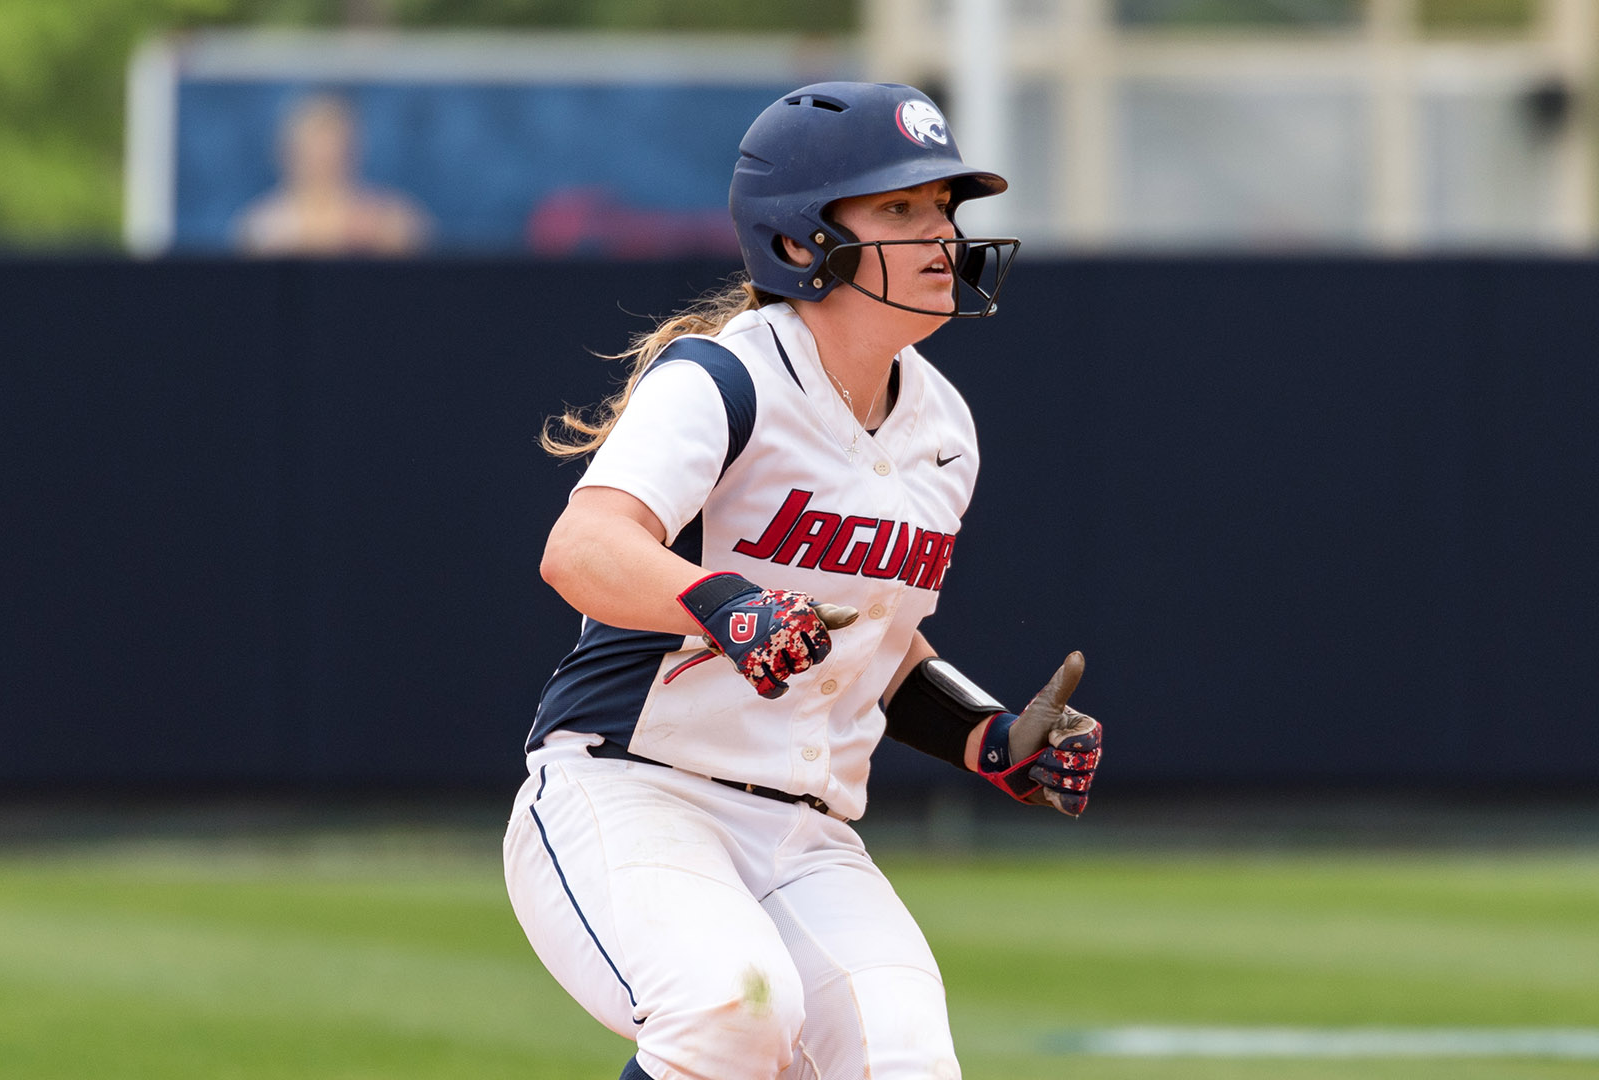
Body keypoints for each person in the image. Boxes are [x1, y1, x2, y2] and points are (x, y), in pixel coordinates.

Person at [502, 81, 1105, 1080]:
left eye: (947, 209)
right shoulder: (722, 379)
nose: (941, 235)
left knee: (904, 1059)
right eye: (900, 209)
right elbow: (583, 546)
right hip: (632, 791)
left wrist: (992, 737)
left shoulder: (943, 431)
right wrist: (724, 603)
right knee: (736, 1009)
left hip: (804, 826)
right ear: (796, 243)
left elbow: (879, 643)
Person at [233, 93, 430, 256]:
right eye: (316, 149)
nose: (325, 158)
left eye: (334, 148)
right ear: (289, 152)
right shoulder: (262, 224)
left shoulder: (389, 216)